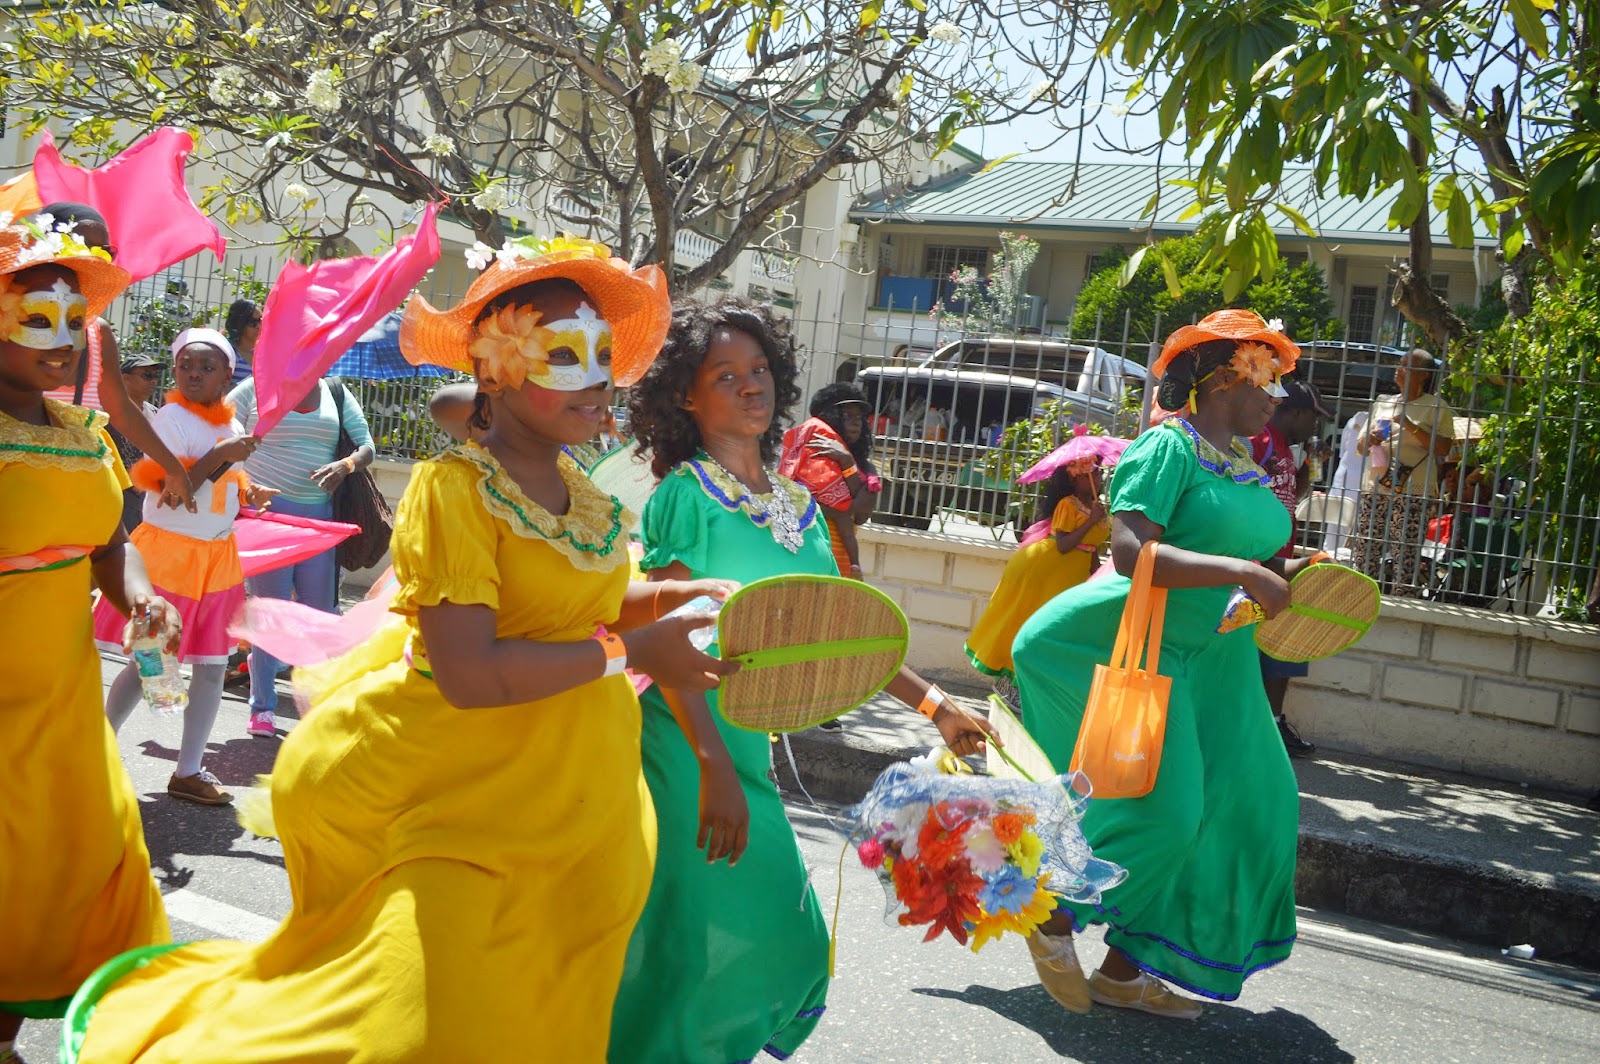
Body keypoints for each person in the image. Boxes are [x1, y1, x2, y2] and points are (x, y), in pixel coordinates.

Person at [67, 237, 740, 1063]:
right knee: (417, 1029)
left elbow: (582, 604)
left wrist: (676, 599)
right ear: (494, 370)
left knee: (541, 1022)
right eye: (565, 354)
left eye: (602, 355)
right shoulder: (455, 491)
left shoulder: (589, 497)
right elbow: (472, 671)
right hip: (466, 806)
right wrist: (626, 653)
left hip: (584, 810)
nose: (595, 376)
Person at [611, 296, 998, 1063]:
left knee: (772, 942)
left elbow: (833, 634)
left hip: (744, 748)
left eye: (759, 370)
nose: (751, 387)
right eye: (726, 376)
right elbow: (662, 640)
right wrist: (712, 764)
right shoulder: (686, 496)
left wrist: (934, 703)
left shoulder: (798, 504)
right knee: (705, 942)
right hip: (687, 750)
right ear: (686, 395)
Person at [1011, 309, 1312, 1018]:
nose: (1279, 394)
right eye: (1267, 375)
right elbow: (1130, 551)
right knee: (1169, 814)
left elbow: (1240, 549)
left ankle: (1124, 969)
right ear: (1218, 378)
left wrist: (1289, 568)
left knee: (1257, 806)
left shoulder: (1243, 463)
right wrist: (1244, 566)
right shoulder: (1167, 447)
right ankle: (1053, 910)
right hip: (1143, 646)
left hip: (1220, 656)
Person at [0, 216, 176, 1059]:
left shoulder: (79, 433)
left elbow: (109, 547)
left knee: (57, 894)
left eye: (76, 320)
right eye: (39, 317)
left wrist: (140, 598)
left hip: (64, 717)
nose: (65, 339)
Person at [92, 329, 276, 805]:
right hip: (168, 556)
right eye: (185, 366)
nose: (193, 374)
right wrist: (221, 457)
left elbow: (222, 481)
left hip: (217, 559)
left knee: (213, 668)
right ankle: (97, 750)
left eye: (205, 368)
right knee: (152, 661)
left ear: (226, 375)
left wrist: (247, 490)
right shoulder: (170, 419)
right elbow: (176, 491)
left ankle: (188, 771)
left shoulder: (229, 426)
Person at [228, 370, 376, 737]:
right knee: (269, 611)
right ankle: (262, 707)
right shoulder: (254, 388)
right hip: (268, 518)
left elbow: (367, 446)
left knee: (319, 615)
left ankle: (315, 705)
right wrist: (245, 483)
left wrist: (346, 465)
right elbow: (223, 438)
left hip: (319, 522)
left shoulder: (336, 390)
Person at [38, 202, 196, 511]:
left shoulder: (99, 332)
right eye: (84, 245)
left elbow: (121, 408)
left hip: (82, 481)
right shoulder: (14, 321)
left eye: (104, 251)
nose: (96, 258)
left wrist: (172, 466)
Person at [966, 456, 1109, 706]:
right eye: (1092, 474)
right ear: (1076, 480)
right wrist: (1091, 520)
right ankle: (1011, 685)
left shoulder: (1097, 507)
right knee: (1030, 623)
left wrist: (1097, 577)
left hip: (1069, 577)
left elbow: (1091, 548)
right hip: (1045, 571)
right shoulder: (1069, 504)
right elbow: (1064, 544)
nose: (1099, 477)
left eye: (1098, 473)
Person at [1251, 378, 1331, 758]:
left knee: (1286, 645)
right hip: (1256, 562)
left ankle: (1273, 724)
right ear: (1295, 412)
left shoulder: (1283, 447)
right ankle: (1259, 727)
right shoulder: (1260, 440)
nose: (1316, 426)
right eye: (1314, 418)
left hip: (1279, 559)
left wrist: (1313, 466)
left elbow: (1292, 495)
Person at [1350, 349, 1455, 594]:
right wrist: (1372, 439)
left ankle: (1402, 599)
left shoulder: (1436, 407)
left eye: (1406, 365)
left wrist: (1410, 425)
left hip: (1412, 491)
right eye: (1400, 363)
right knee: (1366, 547)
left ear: (1423, 375)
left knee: (1404, 551)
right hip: (1376, 485)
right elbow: (1359, 446)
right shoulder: (1383, 402)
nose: (1399, 368)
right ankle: (1362, 595)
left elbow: (1443, 448)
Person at [779, 381, 883, 579]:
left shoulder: (865, 467)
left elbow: (862, 514)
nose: (856, 422)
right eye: (847, 416)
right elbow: (794, 503)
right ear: (829, 418)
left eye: (860, 418)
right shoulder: (802, 457)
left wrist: (846, 461)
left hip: (840, 562)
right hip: (802, 554)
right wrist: (842, 508)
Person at [106, 352, 163, 532]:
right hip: (116, 494)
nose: (153, 381)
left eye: (155, 376)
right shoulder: (107, 413)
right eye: (147, 375)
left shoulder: (156, 414)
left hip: (146, 497)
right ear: (125, 379)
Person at [1323, 408, 1370, 555]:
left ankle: (1329, 556)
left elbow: (1342, 451)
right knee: (1357, 527)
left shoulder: (1351, 422)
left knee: (1335, 526)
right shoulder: (1377, 427)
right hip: (1364, 478)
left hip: (1343, 475)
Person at [223, 298, 260, 385]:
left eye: (261, 320)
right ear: (240, 324)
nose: (259, 326)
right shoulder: (228, 353)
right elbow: (221, 391)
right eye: (252, 322)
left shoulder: (264, 353)